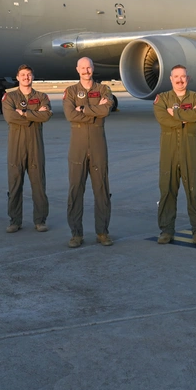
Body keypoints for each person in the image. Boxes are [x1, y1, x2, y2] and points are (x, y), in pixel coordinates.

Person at [63, 57, 114, 248]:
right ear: (77, 69)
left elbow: (106, 110)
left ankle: (102, 232)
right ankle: (76, 234)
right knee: (76, 190)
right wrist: (95, 112)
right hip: (77, 146)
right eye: (83, 68)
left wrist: (83, 108)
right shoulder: (70, 91)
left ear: (93, 68)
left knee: (101, 189)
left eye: (89, 67)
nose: (86, 71)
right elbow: (70, 114)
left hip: (98, 145)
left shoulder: (103, 89)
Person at [153, 65, 196, 245]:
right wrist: (184, 119)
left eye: (183, 76)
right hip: (168, 151)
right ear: (171, 79)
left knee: (194, 191)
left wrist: (175, 113)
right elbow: (162, 119)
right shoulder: (162, 98)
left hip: (190, 150)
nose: (180, 80)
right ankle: (166, 230)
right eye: (176, 76)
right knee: (167, 190)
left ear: (188, 78)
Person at [2, 64, 52, 232]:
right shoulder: (9, 97)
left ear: (33, 77)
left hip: (35, 143)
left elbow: (46, 115)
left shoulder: (41, 96)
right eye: (23, 75)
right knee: (15, 183)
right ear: (17, 77)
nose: (26, 77)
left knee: (38, 184)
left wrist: (23, 113)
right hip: (16, 144)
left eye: (29, 74)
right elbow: (10, 117)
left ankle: (40, 220)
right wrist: (35, 114)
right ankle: (15, 221)